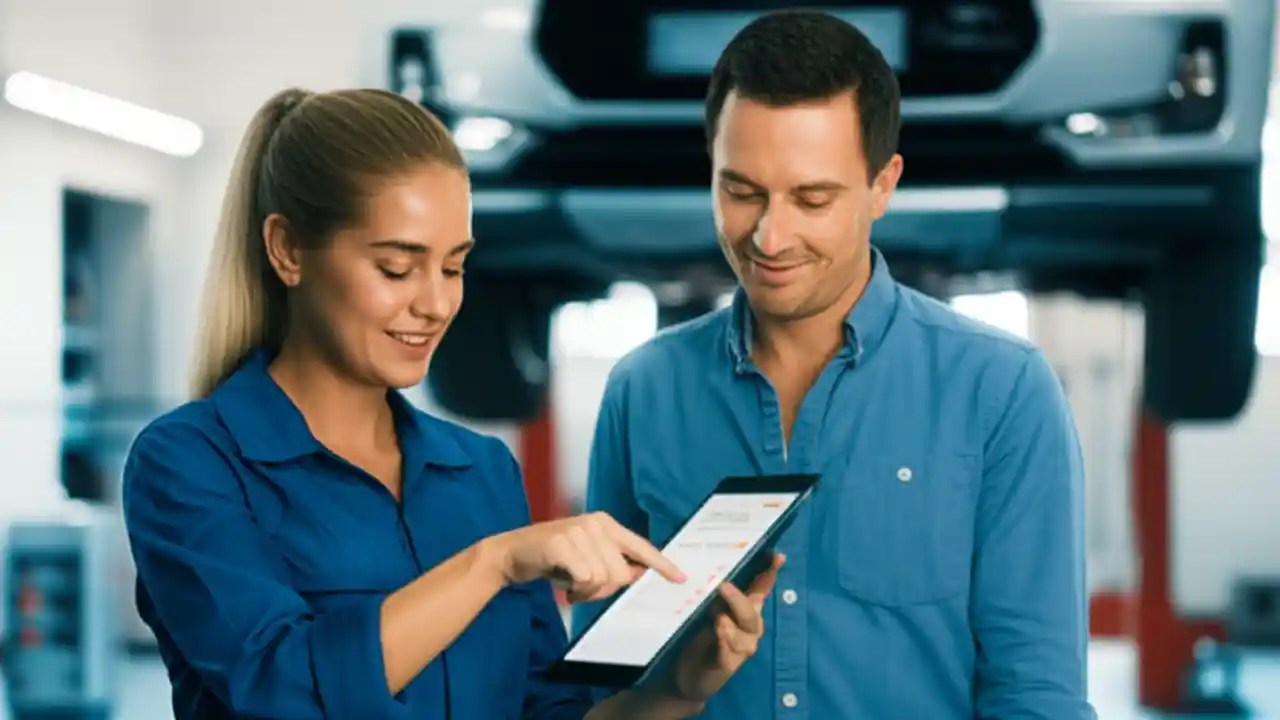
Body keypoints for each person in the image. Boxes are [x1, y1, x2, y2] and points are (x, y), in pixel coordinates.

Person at [121, 86, 783, 720]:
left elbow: (543, 711)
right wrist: (491, 563)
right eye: (396, 268)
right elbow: (280, 687)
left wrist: (673, 691)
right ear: (288, 250)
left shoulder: (480, 471)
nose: (436, 304)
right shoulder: (190, 463)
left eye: (453, 267)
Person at [573, 10, 1096, 719]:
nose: (770, 236)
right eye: (741, 192)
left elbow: (1036, 695)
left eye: (812, 199)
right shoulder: (643, 393)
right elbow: (600, 689)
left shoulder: (1001, 392)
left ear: (883, 185)